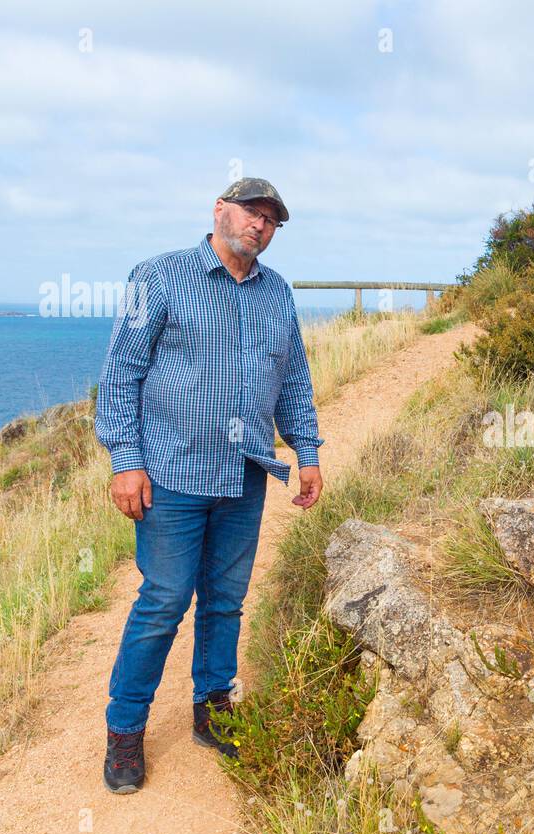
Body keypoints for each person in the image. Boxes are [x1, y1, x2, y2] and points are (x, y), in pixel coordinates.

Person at [94, 177, 324, 794]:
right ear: (220, 211)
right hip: (171, 472)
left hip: (245, 474)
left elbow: (294, 376)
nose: (260, 225)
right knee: (165, 600)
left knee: (224, 601)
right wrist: (125, 460)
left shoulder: (277, 294)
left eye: (272, 220)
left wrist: (307, 451)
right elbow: (122, 375)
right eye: (252, 212)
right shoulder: (161, 277)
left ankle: (213, 710)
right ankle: (124, 733)